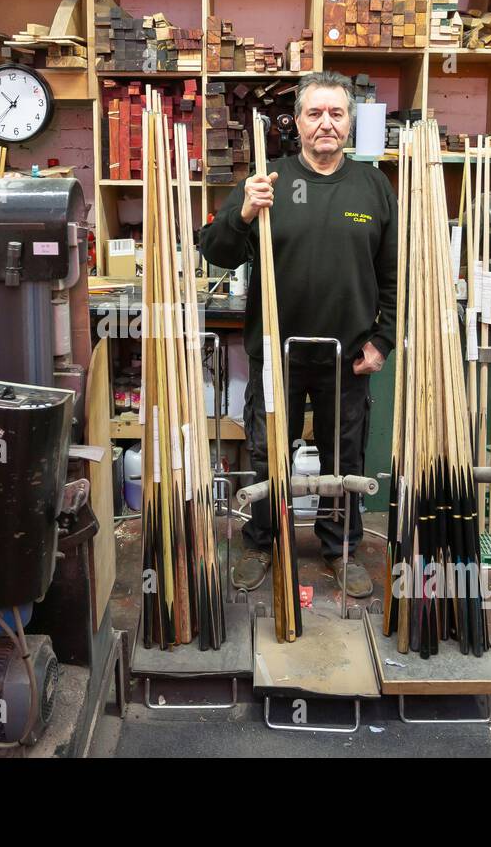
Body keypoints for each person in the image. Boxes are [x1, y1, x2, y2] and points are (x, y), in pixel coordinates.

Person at [198, 71, 398, 598]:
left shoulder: (373, 186)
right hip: (276, 353)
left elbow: (395, 277)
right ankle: (262, 542)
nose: (326, 123)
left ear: (349, 122)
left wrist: (384, 340)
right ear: (299, 123)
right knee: (269, 456)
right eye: (315, 114)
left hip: (348, 357)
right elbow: (214, 250)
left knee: (344, 459)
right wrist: (242, 211)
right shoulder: (269, 180)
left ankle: (340, 546)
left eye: (336, 113)